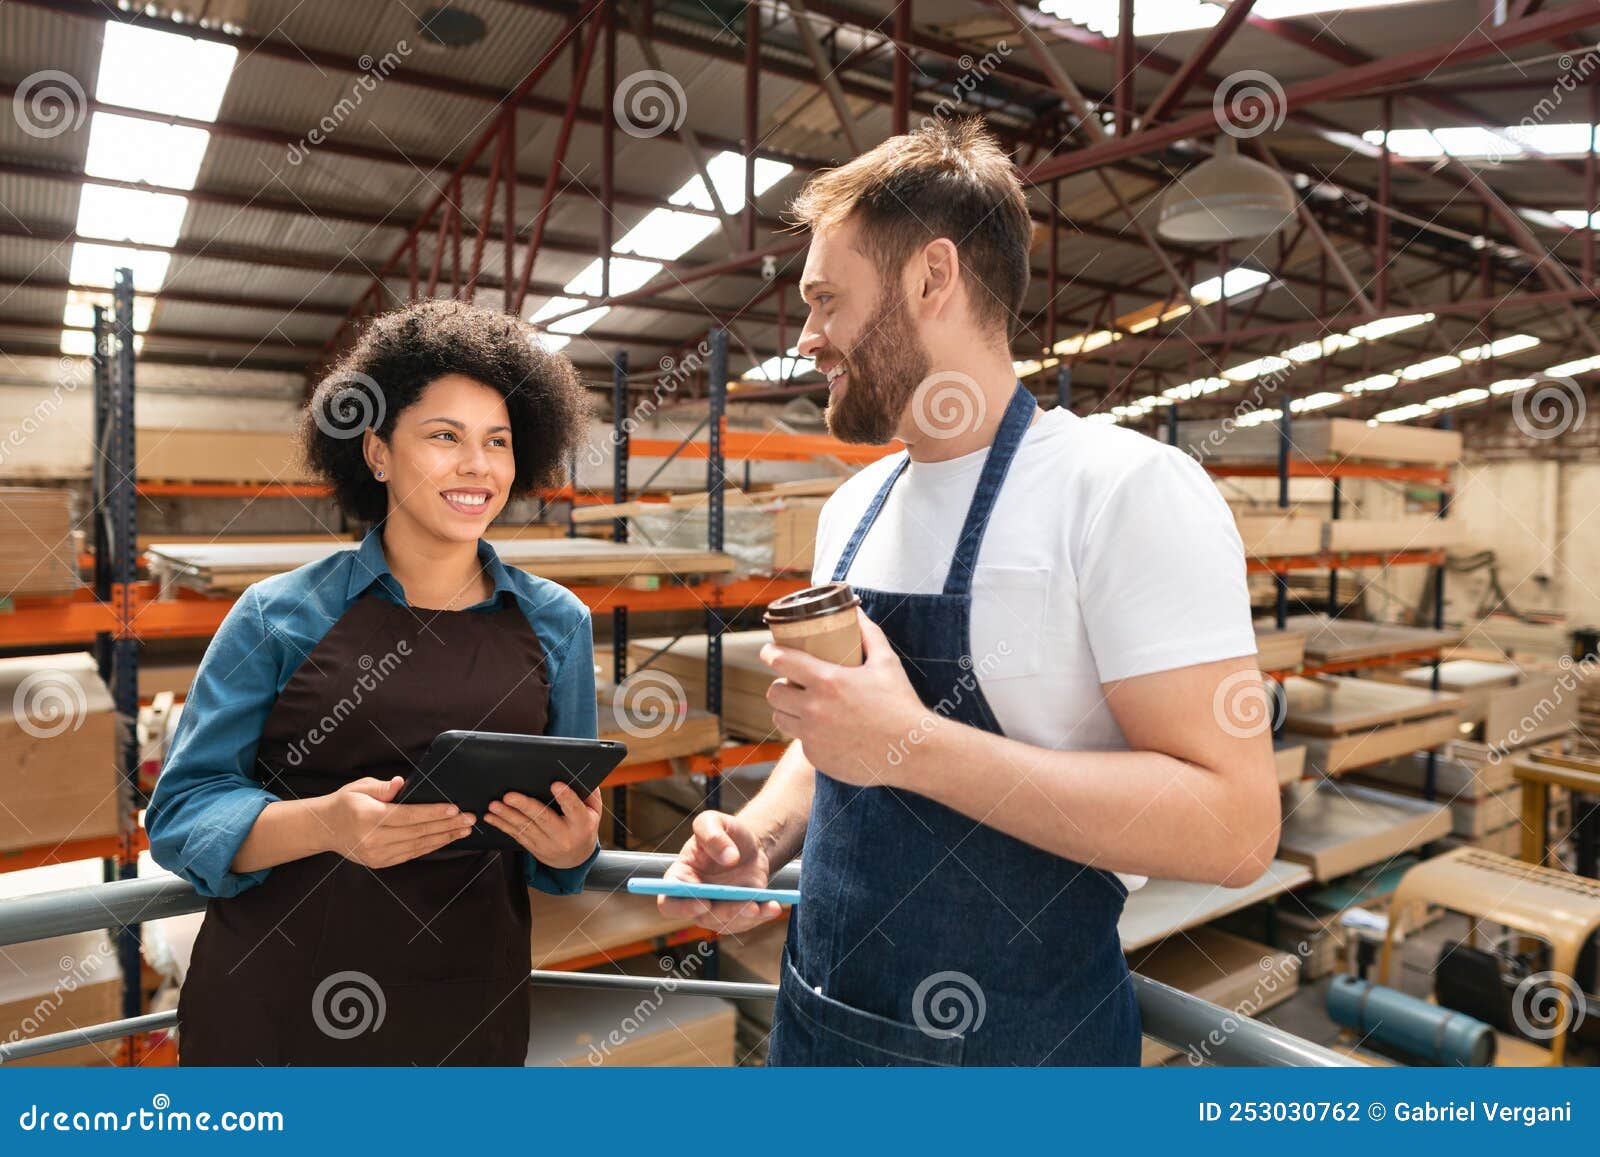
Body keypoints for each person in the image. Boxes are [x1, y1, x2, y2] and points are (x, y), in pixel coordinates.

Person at [657, 120, 1280, 1066]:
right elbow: (839, 733)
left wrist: (913, 746)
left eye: (827, 300)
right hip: (821, 1027)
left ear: (930, 279)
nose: (807, 338)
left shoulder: (1120, 491)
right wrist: (762, 835)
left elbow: (1234, 828)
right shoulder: (856, 506)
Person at [147, 300, 602, 1065]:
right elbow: (183, 811)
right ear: (378, 453)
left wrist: (572, 843)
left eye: (498, 441)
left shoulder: (557, 623)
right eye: (444, 437)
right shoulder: (278, 616)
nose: (478, 466)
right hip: (276, 1010)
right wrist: (327, 824)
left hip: (467, 1010)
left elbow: (564, 850)